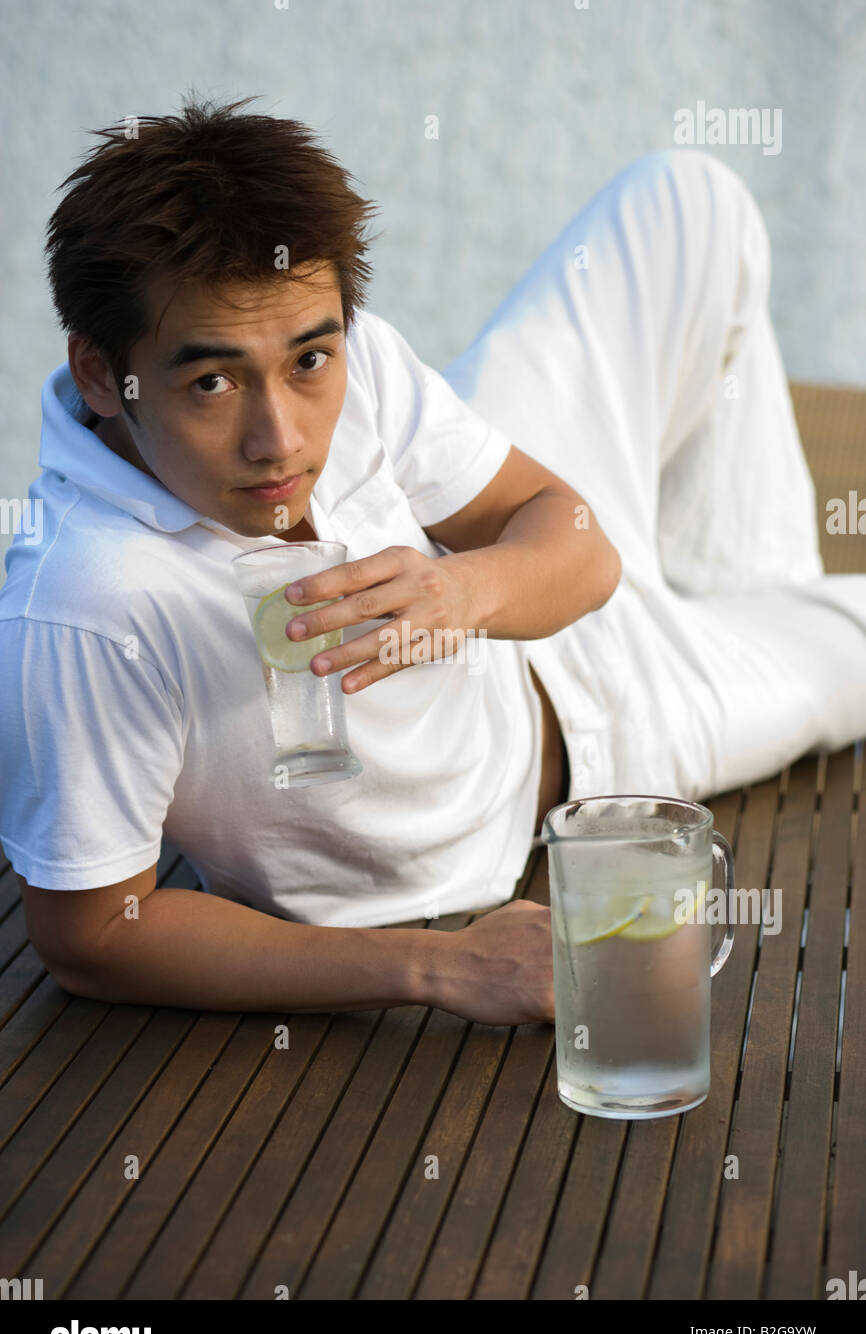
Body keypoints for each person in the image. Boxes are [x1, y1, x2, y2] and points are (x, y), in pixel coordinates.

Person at [1, 96, 864, 1028]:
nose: (280, 441)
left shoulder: (356, 363)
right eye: (211, 382)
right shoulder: (84, 605)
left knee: (689, 201)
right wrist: (438, 967)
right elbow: (92, 935)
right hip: (610, 724)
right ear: (100, 374)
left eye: (309, 361)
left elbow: (576, 540)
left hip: (539, 622)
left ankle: (746, 596)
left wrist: (464, 588)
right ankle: (761, 628)